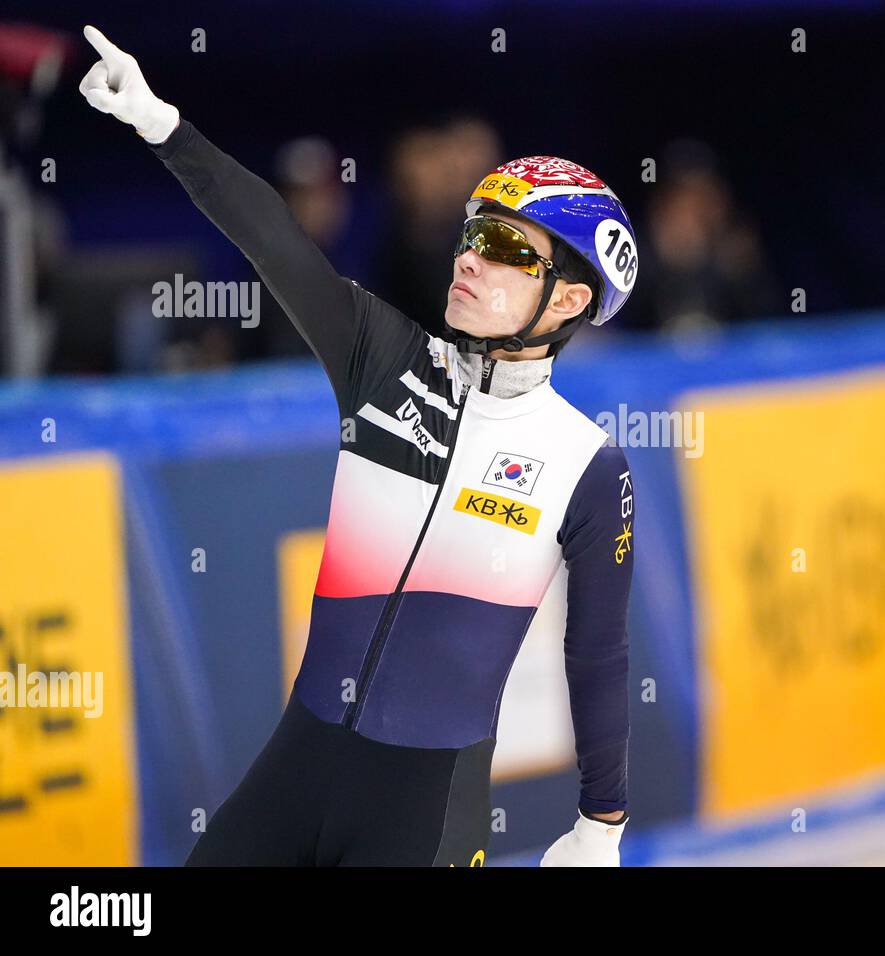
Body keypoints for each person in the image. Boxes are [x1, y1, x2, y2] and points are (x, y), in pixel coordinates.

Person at [79, 24, 638, 866]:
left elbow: (597, 650)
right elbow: (274, 243)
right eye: (472, 231)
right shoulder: (382, 357)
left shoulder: (586, 464)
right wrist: (164, 126)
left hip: (424, 810)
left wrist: (602, 824)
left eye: (504, 248)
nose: (470, 259)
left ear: (566, 302)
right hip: (298, 765)